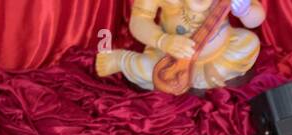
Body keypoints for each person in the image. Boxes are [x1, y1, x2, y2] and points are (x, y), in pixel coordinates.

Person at [96, 0, 266, 91]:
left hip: (217, 49)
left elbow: (255, 19)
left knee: (249, 43)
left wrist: (245, 10)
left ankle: (190, 79)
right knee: (151, 68)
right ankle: (123, 60)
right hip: (171, 54)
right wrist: (163, 40)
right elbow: (139, 21)